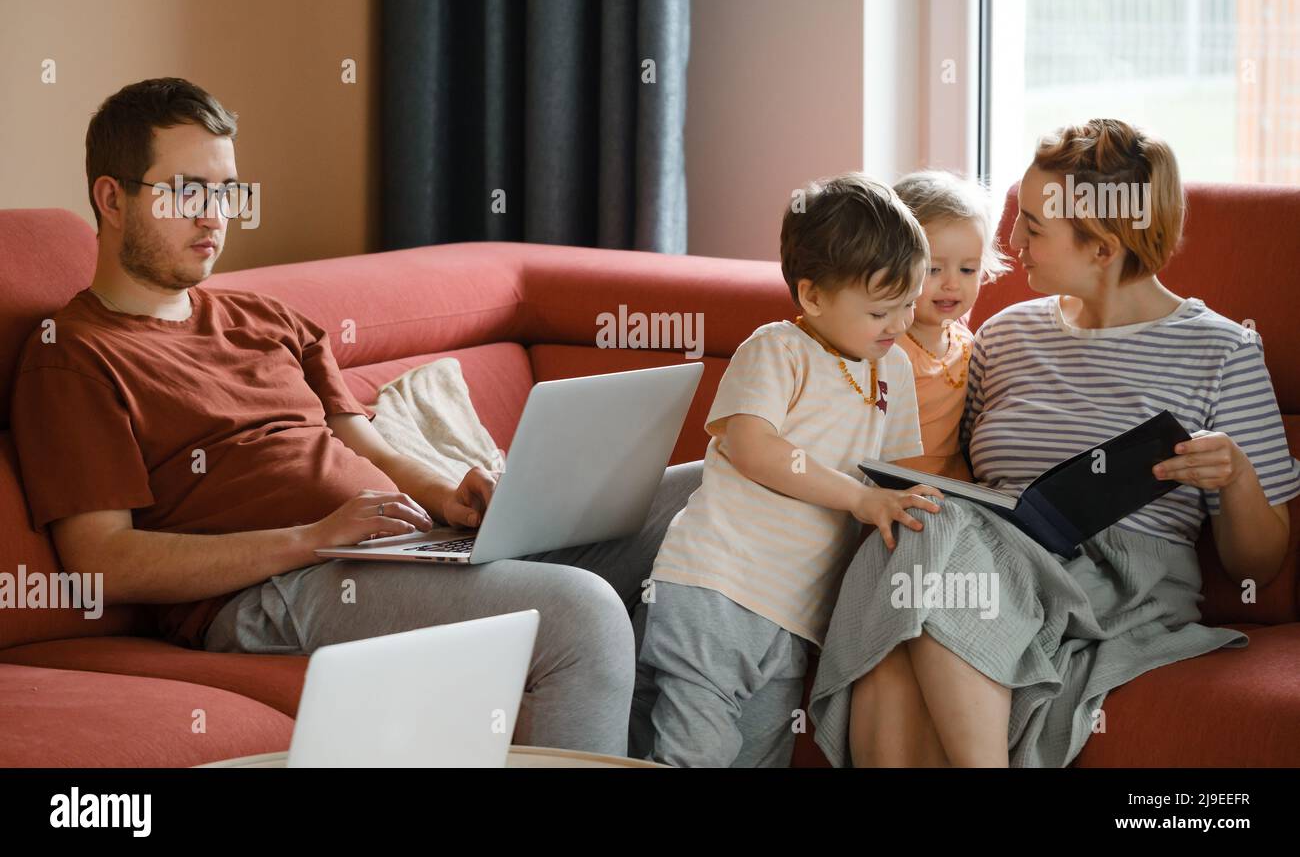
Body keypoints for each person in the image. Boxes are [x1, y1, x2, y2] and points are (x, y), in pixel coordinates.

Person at [10, 77, 702, 757]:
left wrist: (446, 494)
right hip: (275, 590)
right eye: (189, 191)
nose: (215, 215)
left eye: (229, 192)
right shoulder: (72, 356)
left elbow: (363, 443)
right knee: (580, 613)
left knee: (706, 489)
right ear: (112, 198)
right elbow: (105, 563)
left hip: (392, 547)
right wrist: (310, 539)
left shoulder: (265, 318)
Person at [809, 119, 1299, 767]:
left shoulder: (1222, 352)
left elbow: (1256, 567)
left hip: (1121, 580)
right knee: (910, 565)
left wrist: (1236, 478)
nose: (1011, 243)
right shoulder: (1006, 336)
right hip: (989, 554)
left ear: (1101, 247)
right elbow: (947, 458)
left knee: (926, 552)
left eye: (1033, 227)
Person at [630, 173, 942, 766]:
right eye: (881, 311)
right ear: (813, 296)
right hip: (716, 587)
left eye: (908, 304)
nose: (899, 325)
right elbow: (753, 445)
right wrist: (856, 499)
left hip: (795, 615)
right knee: (695, 754)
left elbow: (895, 473)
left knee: (759, 756)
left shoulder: (892, 369)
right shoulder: (777, 349)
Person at [892, 171, 1013, 482]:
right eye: (933, 269)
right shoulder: (884, 345)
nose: (952, 284)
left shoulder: (968, 342)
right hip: (894, 484)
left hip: (957, 486)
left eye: (967, 269)